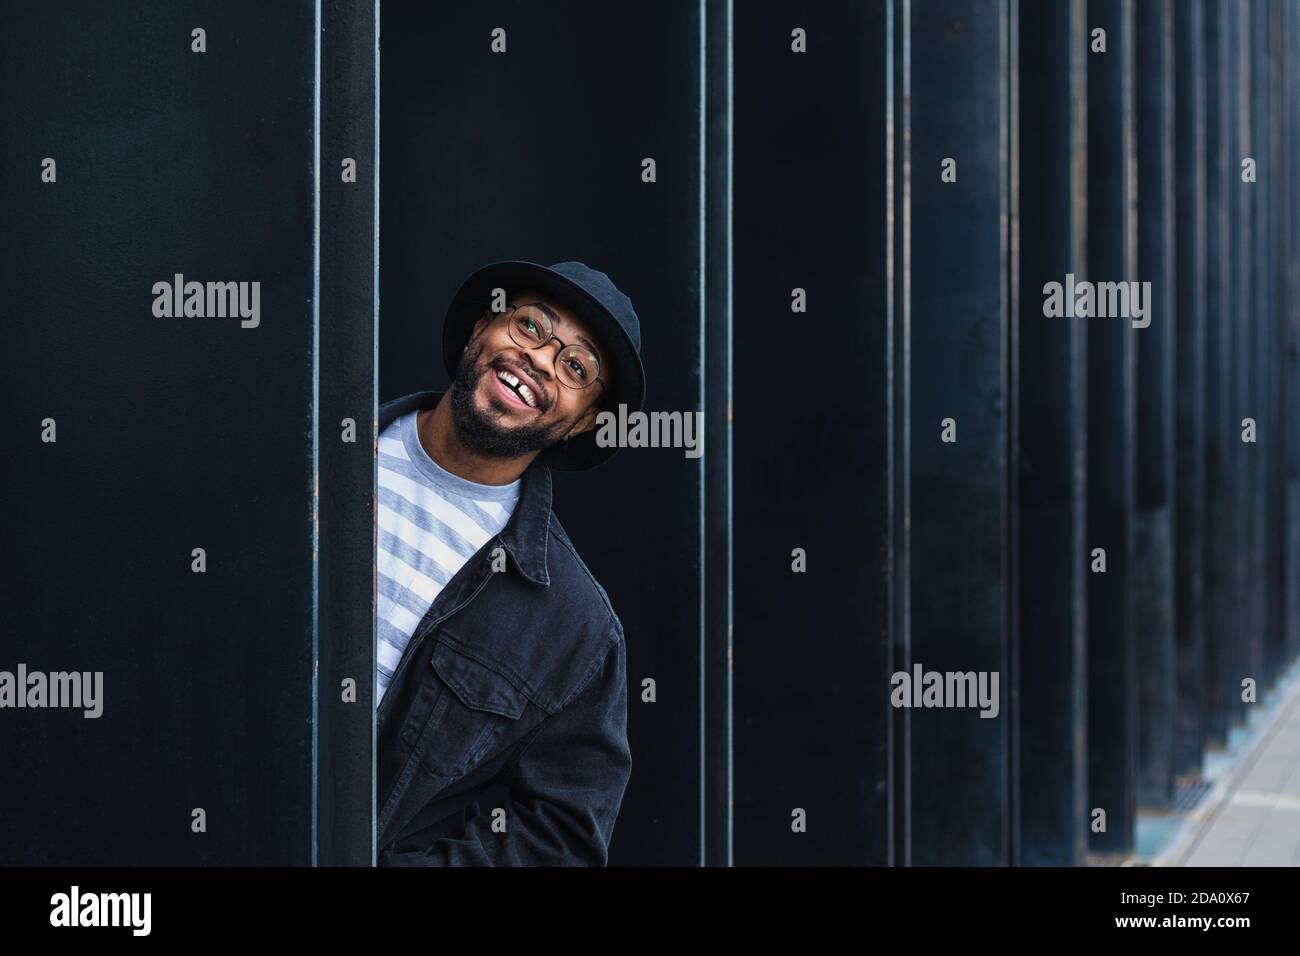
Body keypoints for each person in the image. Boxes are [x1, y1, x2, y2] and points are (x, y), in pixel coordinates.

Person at [374, 260, 645, 865]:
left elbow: (561, 836)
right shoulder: (313, 452)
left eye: (577, 367)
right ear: (480, 329)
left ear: (583, 423)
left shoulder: (575, 629)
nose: (542, 359)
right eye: (529, 325)